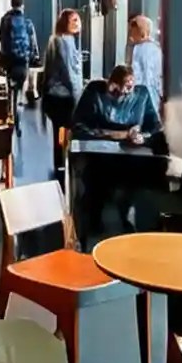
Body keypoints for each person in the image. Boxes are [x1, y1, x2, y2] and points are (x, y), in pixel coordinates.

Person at [70, 65, 166, 238]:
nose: (125, 93)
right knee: (94, 179)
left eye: (129, 88)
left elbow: (155, 126)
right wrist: (118, 134)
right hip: (98, 158)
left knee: (141, 178)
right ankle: (93, 225)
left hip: (132, 157)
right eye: (120, 88)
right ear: (111, 84)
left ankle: (131, 222)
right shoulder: (94, 91)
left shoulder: (141, 95)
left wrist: (143, 137)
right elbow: (78, 126)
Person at [41, 8, 84, 172]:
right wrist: (77, 97)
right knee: (67, 132)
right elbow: (69, 72)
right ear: (64, 22)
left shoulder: (56, 39)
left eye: (78, 20)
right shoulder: (65, 41)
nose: (77, 23)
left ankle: (59, 164)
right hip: (63, 96)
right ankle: (65, 166)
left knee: (59, 132)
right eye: (73, 20)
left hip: (53, 95)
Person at [0, 0, 38, 128]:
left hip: (9, 60)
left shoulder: (5, 20)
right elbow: (33, 42)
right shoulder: (27, 22)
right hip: (23, 61)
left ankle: (10, 113)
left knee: (10, 86)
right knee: (21, 87)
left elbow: (0, 38)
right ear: (22, 6)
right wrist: (34, 57)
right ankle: (19, 111)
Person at [128, 15, 164, 111]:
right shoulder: (155, 48)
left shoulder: (141, 49)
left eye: (132, 31)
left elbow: (143, 75)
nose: (130, 34)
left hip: (144, 96)